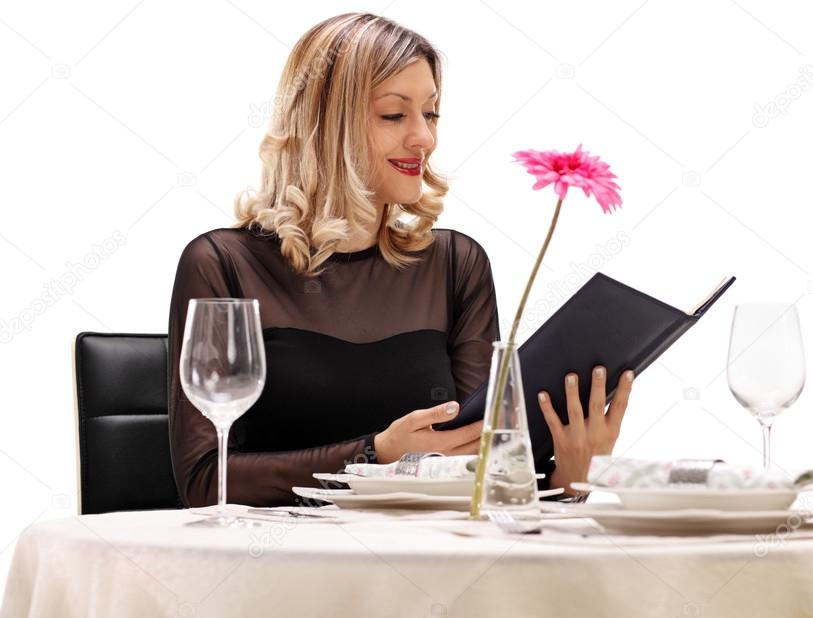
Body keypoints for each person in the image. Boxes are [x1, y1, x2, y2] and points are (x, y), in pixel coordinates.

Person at [167, 12, 635, 508]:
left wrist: (569, 475)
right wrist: (374, 454)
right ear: (323, 125)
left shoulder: (456, 265)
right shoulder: (222, 263)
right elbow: (203, 481)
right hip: (279, 569)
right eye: (394, 115)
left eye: (430, 114)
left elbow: (479, 474)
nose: (424, 138)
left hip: (431, 565)